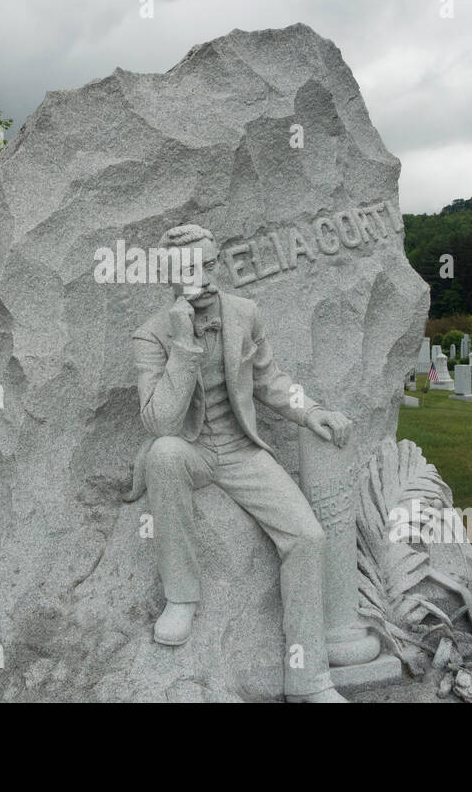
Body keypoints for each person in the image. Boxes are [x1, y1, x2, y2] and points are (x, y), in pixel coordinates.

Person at [126, 223, 352, 702]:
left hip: (243, 452)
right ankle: (181, 596)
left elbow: (271, 381)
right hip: (192, 450)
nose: (205, 278)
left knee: (308, 537)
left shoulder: (245, 313)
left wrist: (312, 413)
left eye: (210, 264)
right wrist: (183, 344)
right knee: (164, 454)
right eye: (190, 270)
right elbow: (160, 421)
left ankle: (309, 681)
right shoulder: (150, 335)